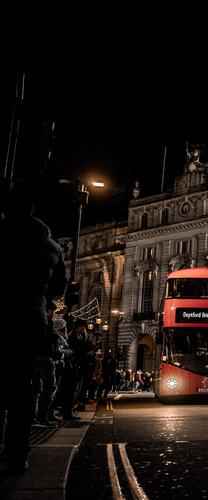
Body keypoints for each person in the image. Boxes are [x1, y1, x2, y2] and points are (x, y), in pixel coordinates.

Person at [0, 180, 67, 473]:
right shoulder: (50, 246)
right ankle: (17, 453)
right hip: (30, 318)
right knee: (22, 388)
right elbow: (58, 289)